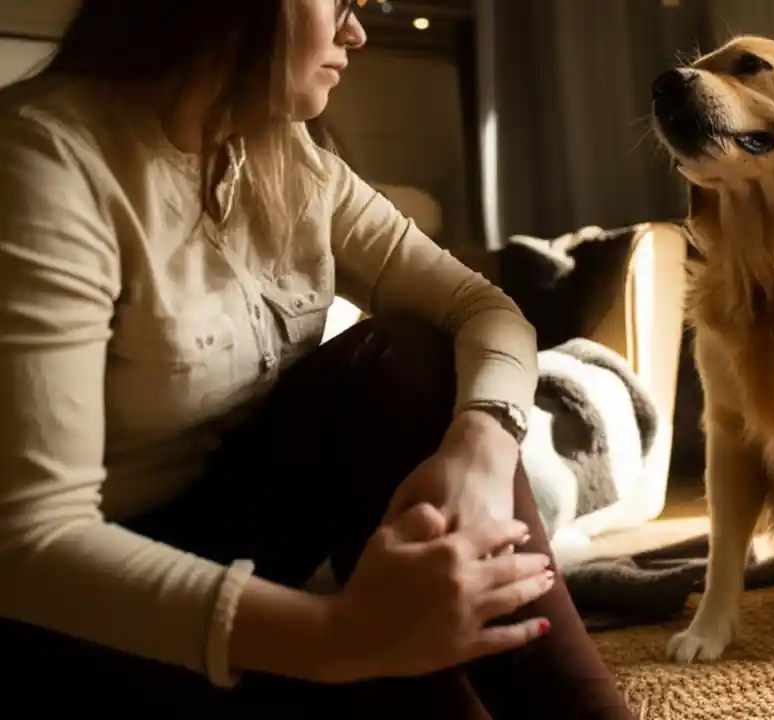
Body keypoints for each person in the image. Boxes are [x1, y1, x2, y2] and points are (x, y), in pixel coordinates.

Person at [0, 1, 634, 716]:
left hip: (236, 539)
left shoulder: (289, 157)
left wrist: (483, 444)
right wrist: (342, 636)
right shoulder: (45, 159)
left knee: (404, 361)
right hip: (74, 620)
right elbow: (30, 547)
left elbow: (483, 311)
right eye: (339, 2)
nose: (355, 32)